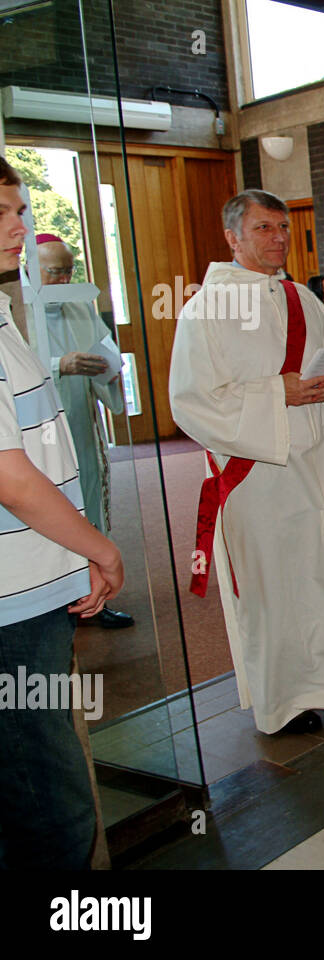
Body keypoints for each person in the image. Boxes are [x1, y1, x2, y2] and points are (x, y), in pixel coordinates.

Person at [169, 190, 324, 736]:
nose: (277, 238)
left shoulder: (303, 298)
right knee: (277, 591)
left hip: (318, 465)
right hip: (258, 472)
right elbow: (191, 400)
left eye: (282, 227)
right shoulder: (207, 307)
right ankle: (288, 700)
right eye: (262, 228)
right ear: (232, 237)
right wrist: (278, 392)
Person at [0, 158, 124, 868]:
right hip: (13, 605)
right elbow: (11, 478)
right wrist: (98, 549)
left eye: (22, 211)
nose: (22, 225)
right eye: (6, 213)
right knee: (48, 798)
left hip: (33, 585)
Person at [34, 234, 132, 629]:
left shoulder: (77, 304)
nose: (62, 281)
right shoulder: (19, 309)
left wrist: (108, 366)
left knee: (88, 499)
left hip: (79, 422)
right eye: (54, 273)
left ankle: (94, 593)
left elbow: (103, 346)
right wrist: (60, 364)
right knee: (50, 506)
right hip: (39, 432)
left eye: (68, 272)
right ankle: (54, 600)